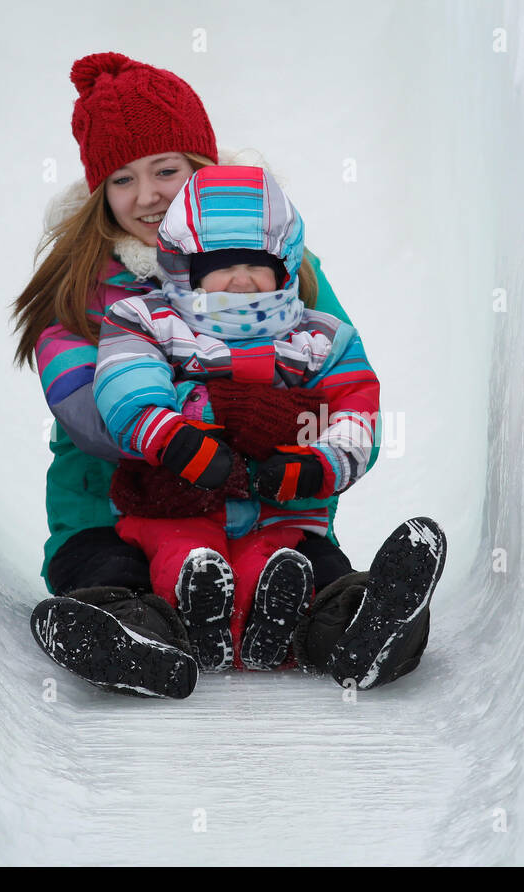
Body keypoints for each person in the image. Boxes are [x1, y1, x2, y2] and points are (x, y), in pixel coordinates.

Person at [10, 51, 445, 700]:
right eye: (123, 180)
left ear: (202, 169)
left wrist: (304, 455)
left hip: (265, 508)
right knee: (112, 569)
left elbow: (340, 382)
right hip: (115, 508)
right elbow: (90, 416)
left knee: (314, 574)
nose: (149, 194)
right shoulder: (82, 287)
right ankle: (129, 636)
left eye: (166, 169)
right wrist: (210, 420)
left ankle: (367, 627)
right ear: (100, 196)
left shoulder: (276, 263)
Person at [96, 165, 381, 674]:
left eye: (258, 263)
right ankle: (199, 613)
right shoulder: (149, 319)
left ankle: (273, 623)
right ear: (188, 267)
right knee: (186, 552)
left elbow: (354, 405)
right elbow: (127, 383)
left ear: (286, 266)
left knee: (275, 560)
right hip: (179, 497)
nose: (243, 278)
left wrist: (321, 463)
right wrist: (172, 436)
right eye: (224, 263)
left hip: (278, 509)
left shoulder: (318, 336)